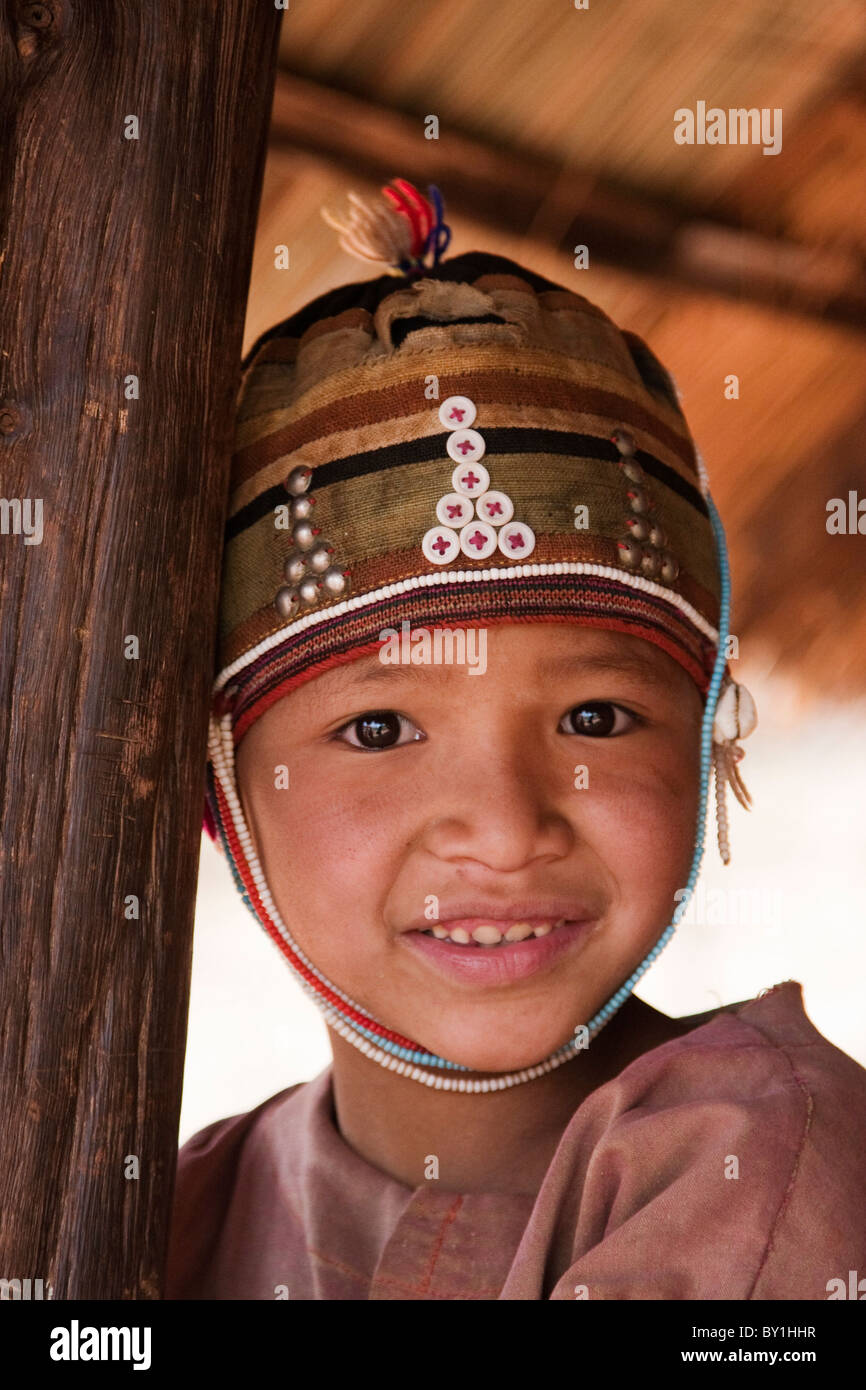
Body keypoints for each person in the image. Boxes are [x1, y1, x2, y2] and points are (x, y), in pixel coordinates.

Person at [165, 179, 866, 1300]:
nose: (501, 828)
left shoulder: (761, 1162)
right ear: (219, 789)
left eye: (593, 718)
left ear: (703, 744)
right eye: (379, 726)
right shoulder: (170, 1210)